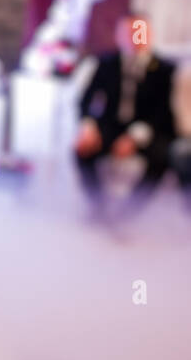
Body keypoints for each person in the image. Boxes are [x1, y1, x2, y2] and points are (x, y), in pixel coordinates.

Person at [74, 11, 178, 213]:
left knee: (162, 157)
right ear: (119, 35)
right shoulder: (106, 64)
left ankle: (128, 212)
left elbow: (163, 111)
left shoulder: (164, 70)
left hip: (149, 130)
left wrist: (134, 138)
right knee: (83, 150)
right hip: (111, 126)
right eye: (130, 32)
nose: (135, 38)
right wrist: (89, 126)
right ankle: (99, 208)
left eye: (140, 32)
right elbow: (87, 100)